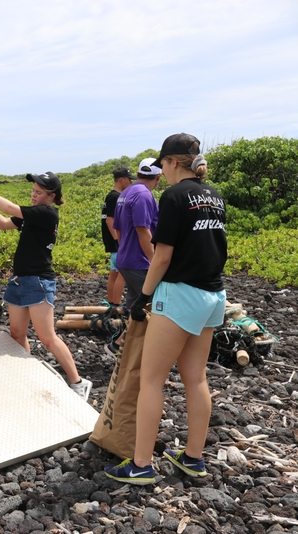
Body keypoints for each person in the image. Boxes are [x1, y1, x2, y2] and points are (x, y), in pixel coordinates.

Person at [104, 133, 227, 484]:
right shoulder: (213, 196)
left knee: (152, 380)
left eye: (164, 166)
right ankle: (193, 458)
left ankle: (141, 464)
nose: (164, 173)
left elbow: (163, 255)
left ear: (173, 162)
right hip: (212, 295)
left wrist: (143, 295)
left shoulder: (174, 196)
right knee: (196, 378)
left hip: (180, 294)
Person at [0, 173, 92, 400]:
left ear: (52, 196)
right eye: (33, 190)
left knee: (47, 336)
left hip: (38, 282)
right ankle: (25, 374)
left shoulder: (46, 213)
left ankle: (78, 382)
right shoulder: (33, 214)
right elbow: (4, 223)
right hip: (19, 280)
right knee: (17, 333)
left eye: (39, 192)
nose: (34, 195)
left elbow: (11, 208)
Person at [106, 158, 162, 355]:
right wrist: (155, 261)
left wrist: (124, 251)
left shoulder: (126, 192)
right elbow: (143, 231)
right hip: (140, 263)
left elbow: (118, 229)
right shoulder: (144, 195)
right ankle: (122, 346)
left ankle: (126, 347)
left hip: (126, 259)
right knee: (152, 306)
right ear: (158, 176)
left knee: (134, 305)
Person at [101, 167, 134, 308]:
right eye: (129, 179)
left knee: (114, 272)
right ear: (121, 180)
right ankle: (115, 303)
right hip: (116, 242)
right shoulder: (115, 197)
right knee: (121, 273)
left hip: (113, 242)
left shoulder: (111, 196)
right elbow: (110, 220)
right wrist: (119, 241)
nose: (131, 182)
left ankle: (111, 302)